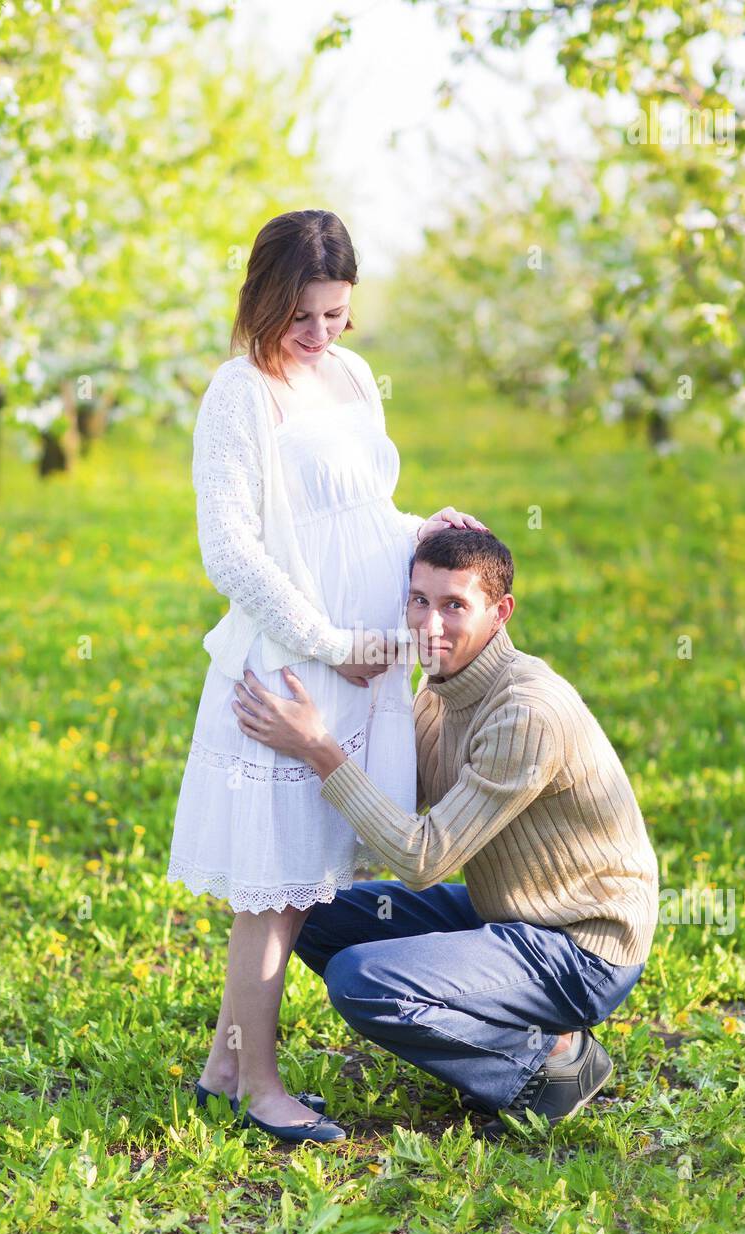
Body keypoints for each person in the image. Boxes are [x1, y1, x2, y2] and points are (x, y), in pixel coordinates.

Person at [166, 209, 489, 1143]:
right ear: (264, 299)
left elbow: (363, 510)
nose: (318, 335)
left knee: (306, 884)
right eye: (302, 316)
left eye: (336, 315)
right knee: (270, 888)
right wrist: (323, 638)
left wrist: (424, 528)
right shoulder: (240, 393)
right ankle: (260, 1087)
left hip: (365, 656)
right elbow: (231, 550)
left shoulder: (349, 375)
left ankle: (228, 1062)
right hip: (299, 655)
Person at [232, 527, 660, 1138]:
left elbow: (422, 855)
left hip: (582, 948)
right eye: (419, 601)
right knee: (315, 910)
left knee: (363, 980)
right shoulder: (438, 694)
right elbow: (394, 809)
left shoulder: (526, 714)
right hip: (506, 915)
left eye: (455, 605)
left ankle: (547, 1066)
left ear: (500, 611)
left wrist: (318, 749)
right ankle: (532, 1032)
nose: (430, 625)